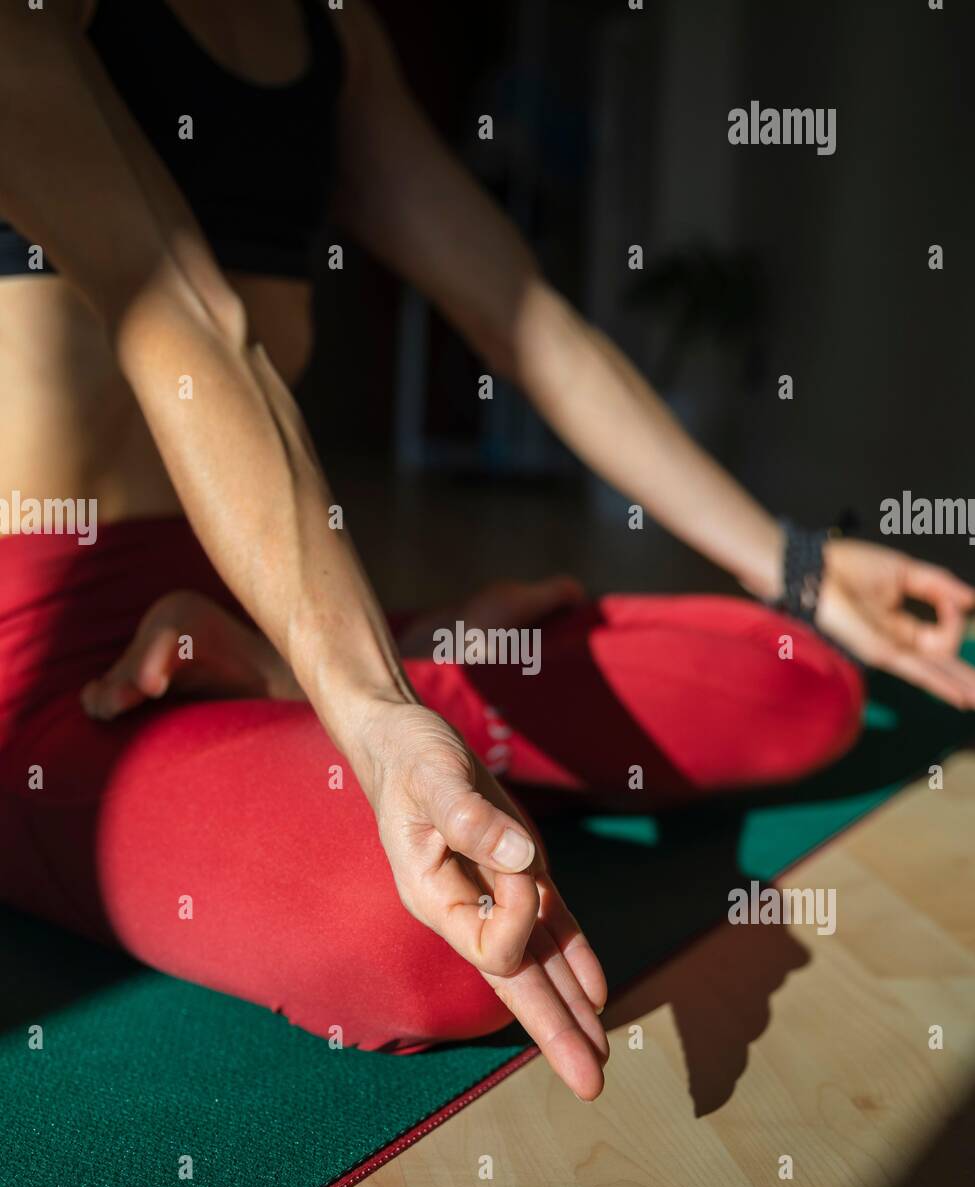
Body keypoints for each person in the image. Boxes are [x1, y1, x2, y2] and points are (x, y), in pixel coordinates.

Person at [0, 0, 971, 1102]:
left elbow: (530, 326)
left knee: (797, 682)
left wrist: (797, 564)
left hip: (283, 612)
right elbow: (188, 315)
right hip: (48, 664)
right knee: (441, 947)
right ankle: (396, 709)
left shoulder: (336, 37)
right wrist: (371, 716)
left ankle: (358, 689)